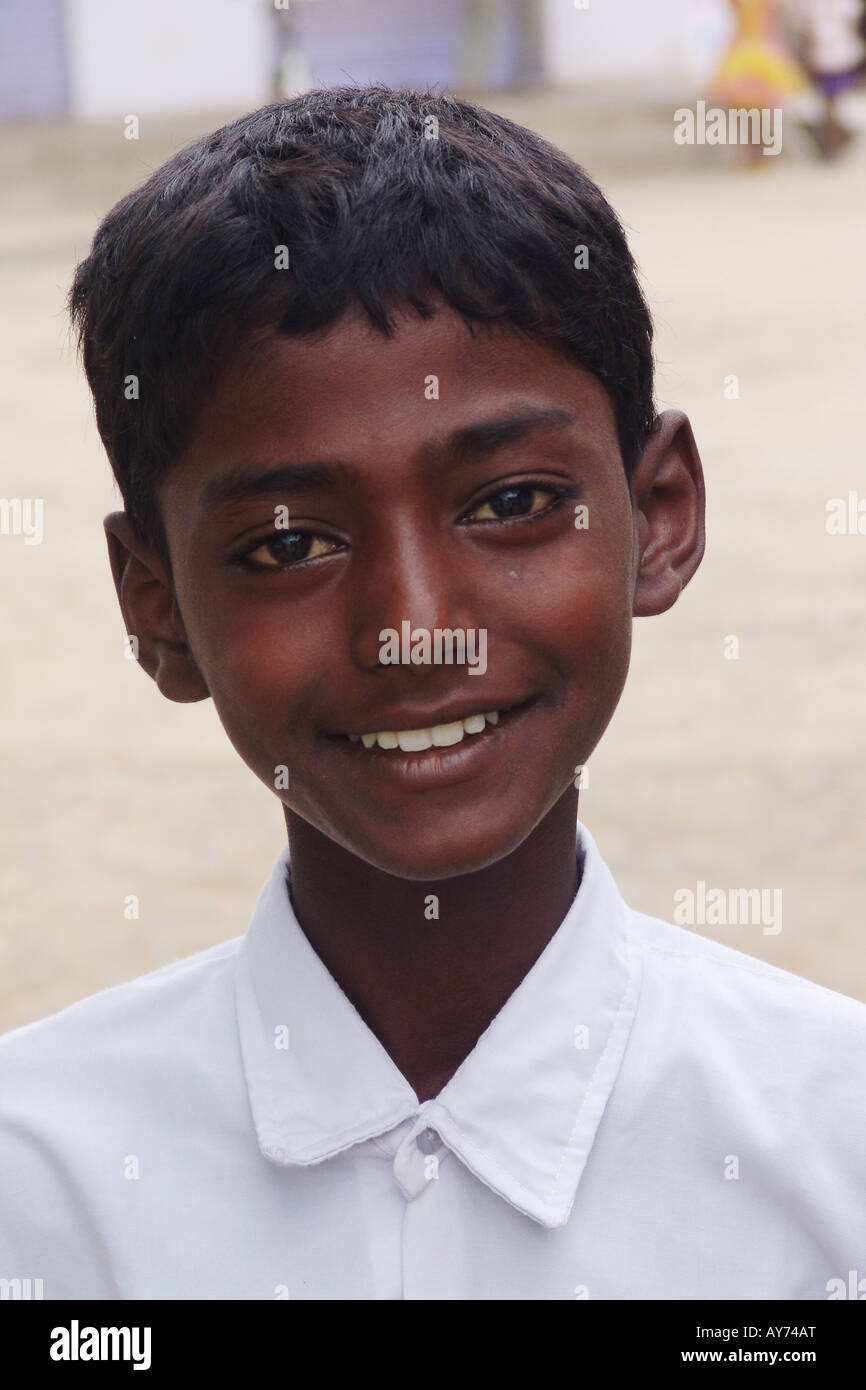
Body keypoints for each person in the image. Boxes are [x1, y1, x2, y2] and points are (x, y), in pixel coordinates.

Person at [1, 86, 864, 1301]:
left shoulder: (833, 1160)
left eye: (510, 504)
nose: (412, 632)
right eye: (289, 544)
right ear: (156, 606)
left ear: (657, 518)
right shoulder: (38, 1190)